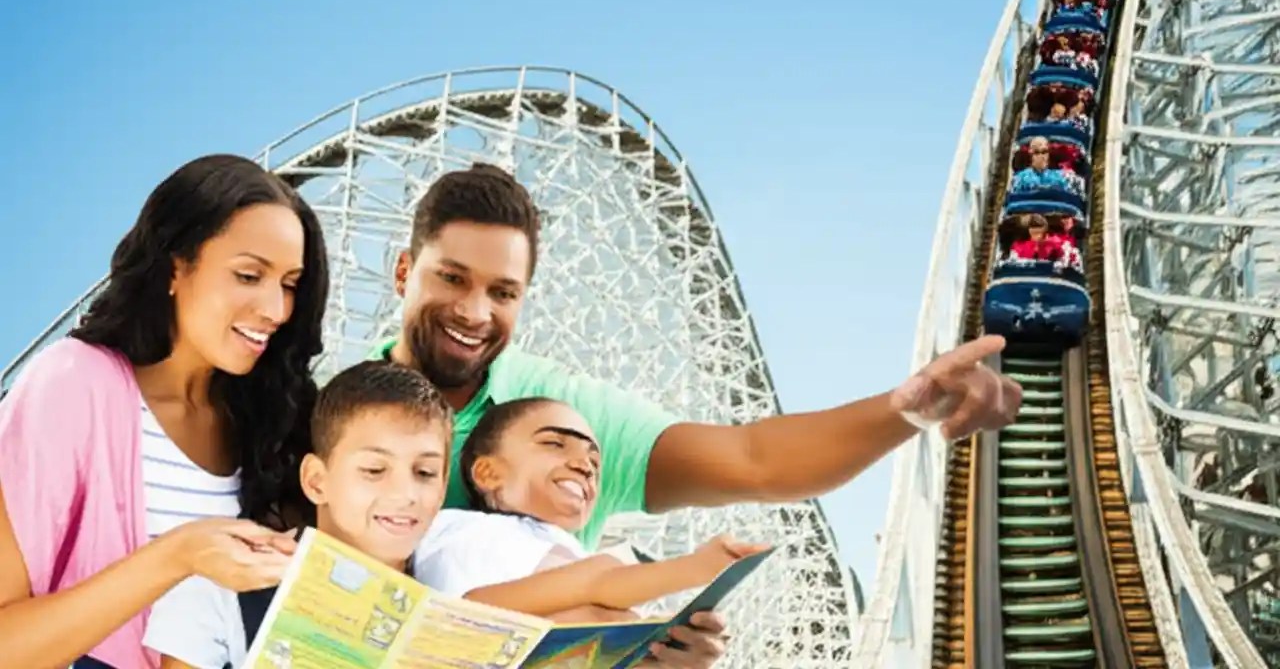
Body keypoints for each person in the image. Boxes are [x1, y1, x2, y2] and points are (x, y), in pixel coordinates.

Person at [369, 163, 1024, 658]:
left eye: (503, 292)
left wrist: (904, 411)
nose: (476, 312)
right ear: (404, 272)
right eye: (451, 279)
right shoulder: (328, 412)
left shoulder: (557, 420)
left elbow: (756, 460)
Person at [0, 155, 328, 669]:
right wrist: (179, 556)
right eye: (248, 275)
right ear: (176, 266)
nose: (276, 309)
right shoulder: (75, 385)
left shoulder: (276, 423)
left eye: (289, 284)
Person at [143, 360, 454, 669]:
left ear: (442, 488)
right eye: (374, 470)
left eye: (425, 472)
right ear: (316, 481)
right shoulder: (222, 588)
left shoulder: (455, 597)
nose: (405, 494)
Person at [414, 397, 771, 630]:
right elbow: (470, 612)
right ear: (488, 473)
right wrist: (697, 568)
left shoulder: (572, 551)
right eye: (554, 443)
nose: (584, 466)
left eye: (595, 463)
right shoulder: (459, 528)